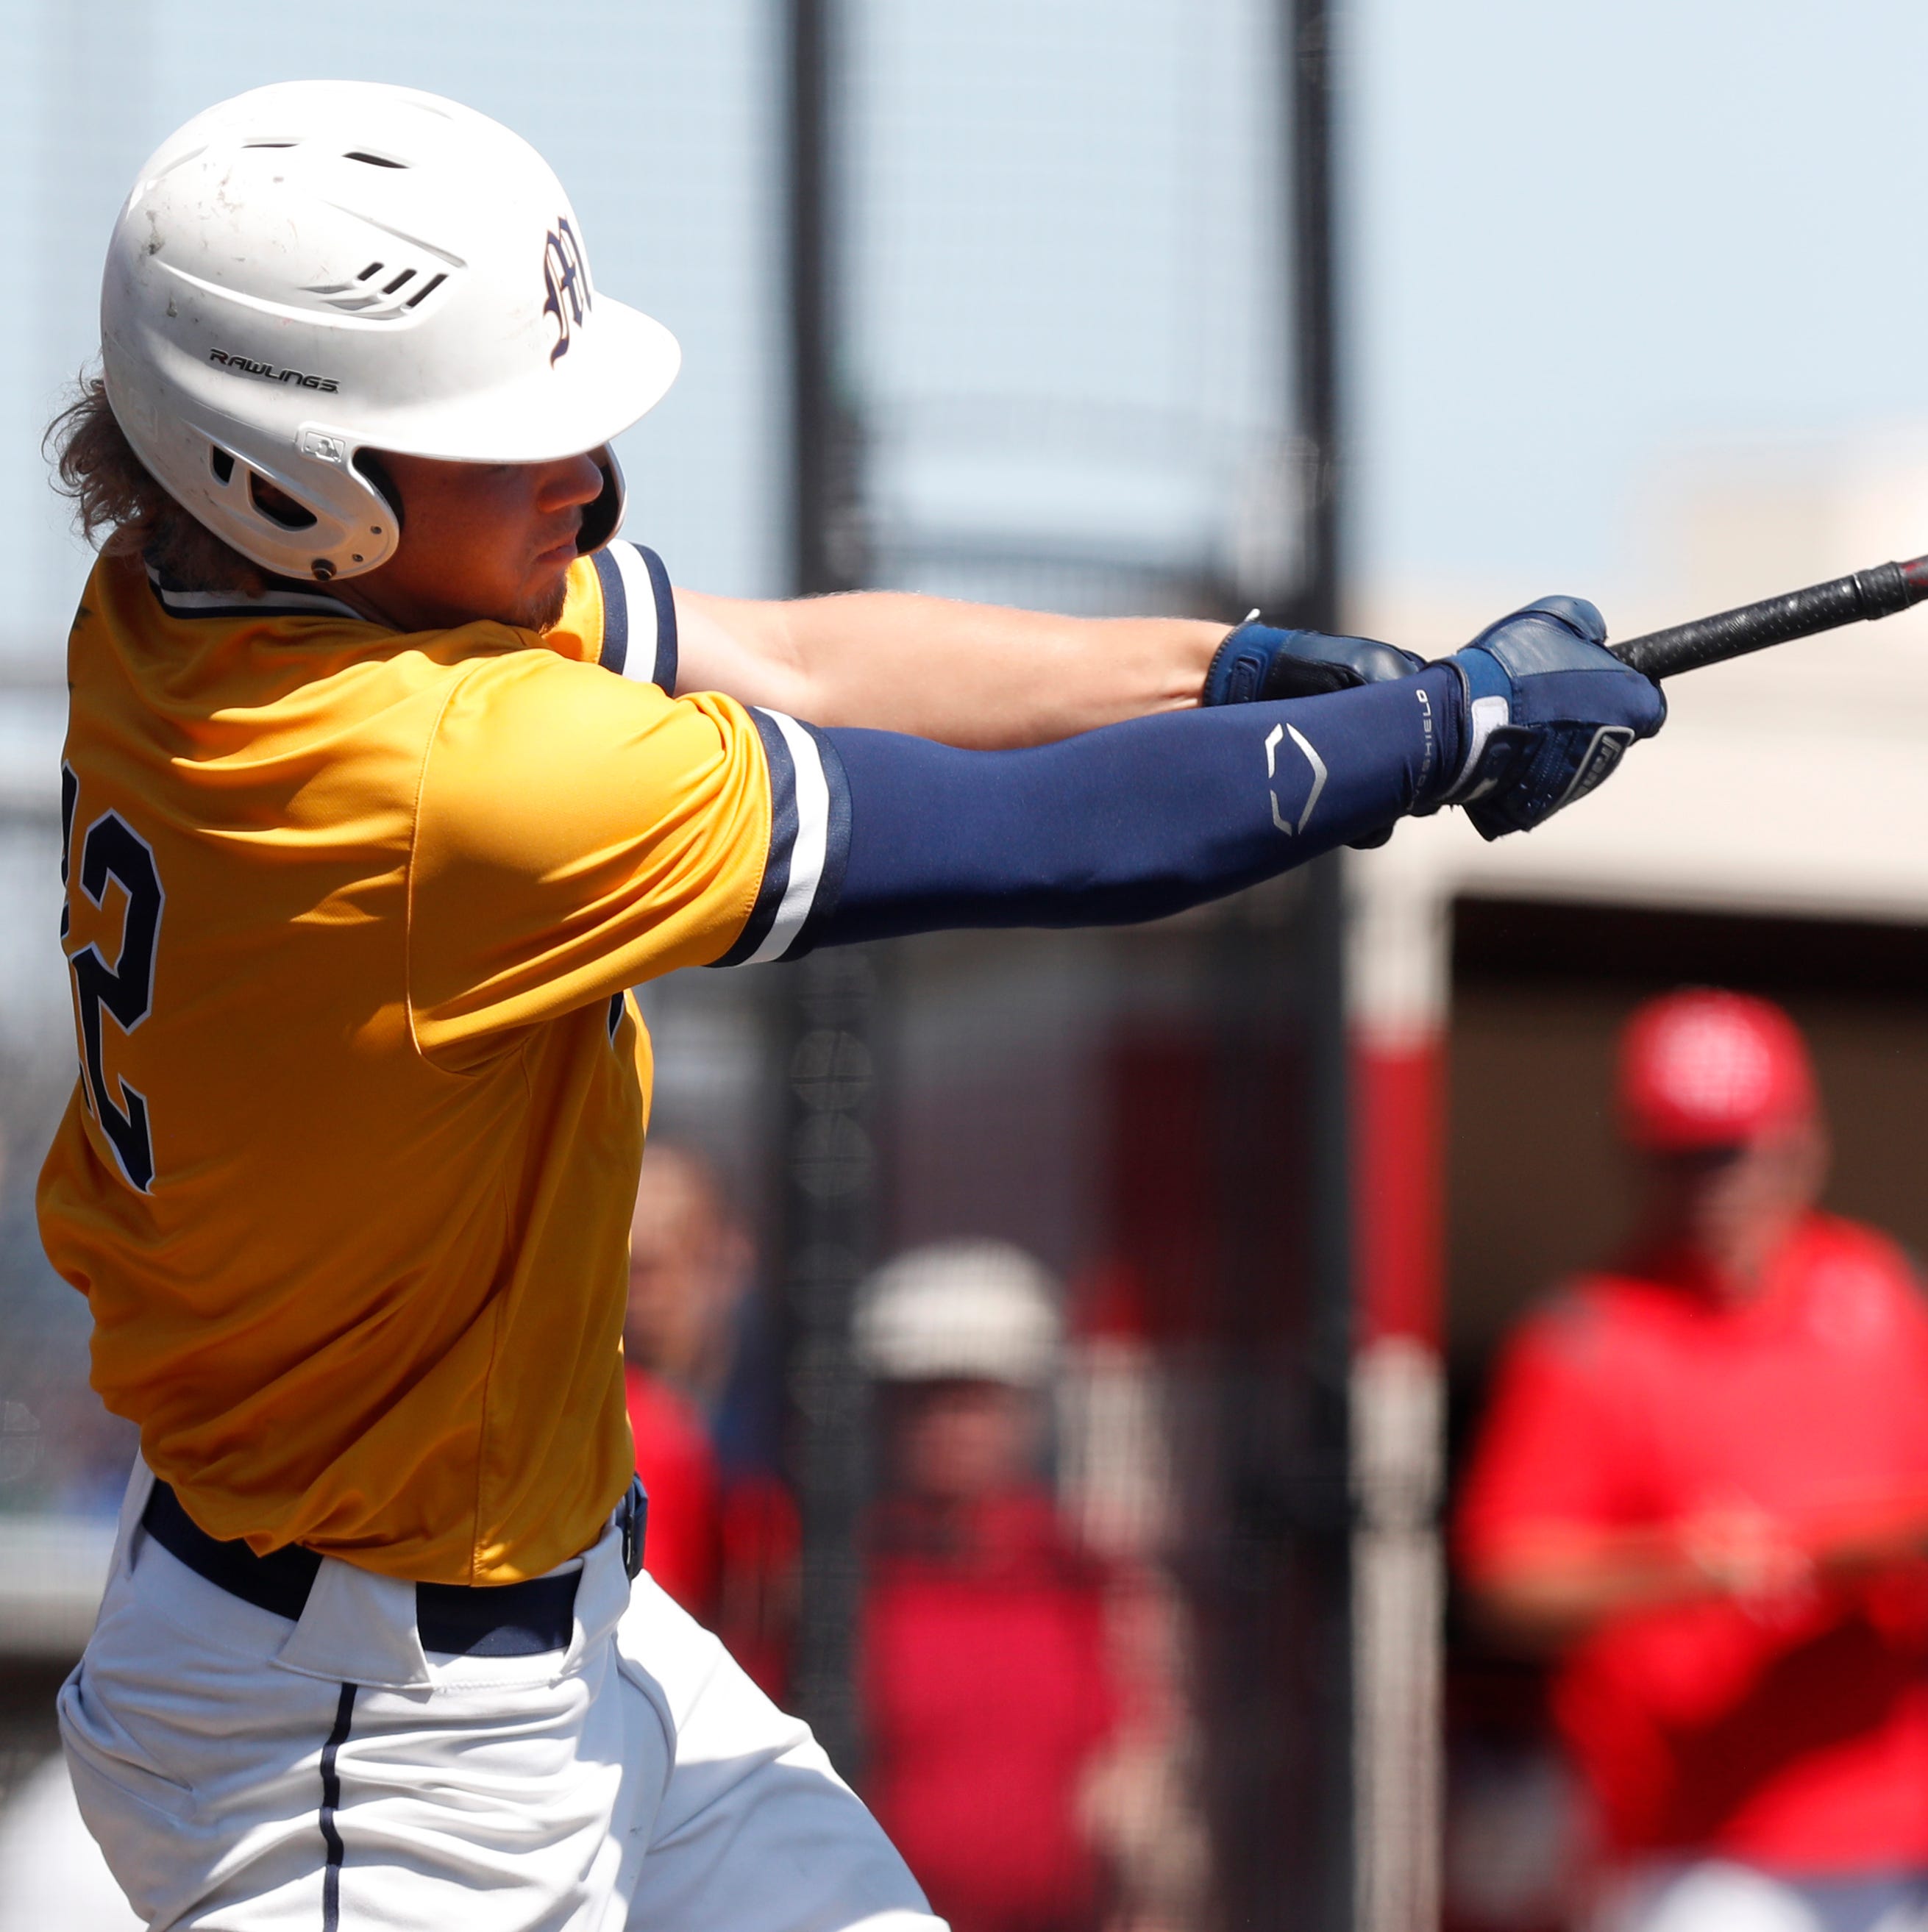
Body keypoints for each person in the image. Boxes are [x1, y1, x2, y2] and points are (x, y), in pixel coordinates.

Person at [43, 80, 1662, 1932]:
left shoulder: (186, 603)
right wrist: (1427, 736)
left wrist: (1217, 667)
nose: (590, 476)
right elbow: (1041, 843)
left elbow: (805, 655)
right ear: (288, 483)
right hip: (368, 1759)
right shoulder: (448, 782)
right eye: (513, 436)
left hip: (553, 1640)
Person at [1456, 991, 1928, 1932]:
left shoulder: (1885, 1293)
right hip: (1691, 1836)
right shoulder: (1587, 1337)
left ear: (1801, 1143)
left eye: (1731, 1151)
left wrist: (1853, 1551)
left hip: (1881, 1812)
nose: (1709, 1185)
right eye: (1678, 1156)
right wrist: (1684, 1567)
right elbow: (1504, 1582)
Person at [853, 1243, 1118, 1932]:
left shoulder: (1078, 1573)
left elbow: (1126, 1764)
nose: (953, 1426)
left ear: (1027, 1410)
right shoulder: (837, 1576)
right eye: (927, 1400)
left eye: (978, 1399)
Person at [624, 1141, 759, 1615]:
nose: (633, 1290)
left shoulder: (790, 1414)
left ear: (731, 1254)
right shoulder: (613, 1430)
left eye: (651, 1265)